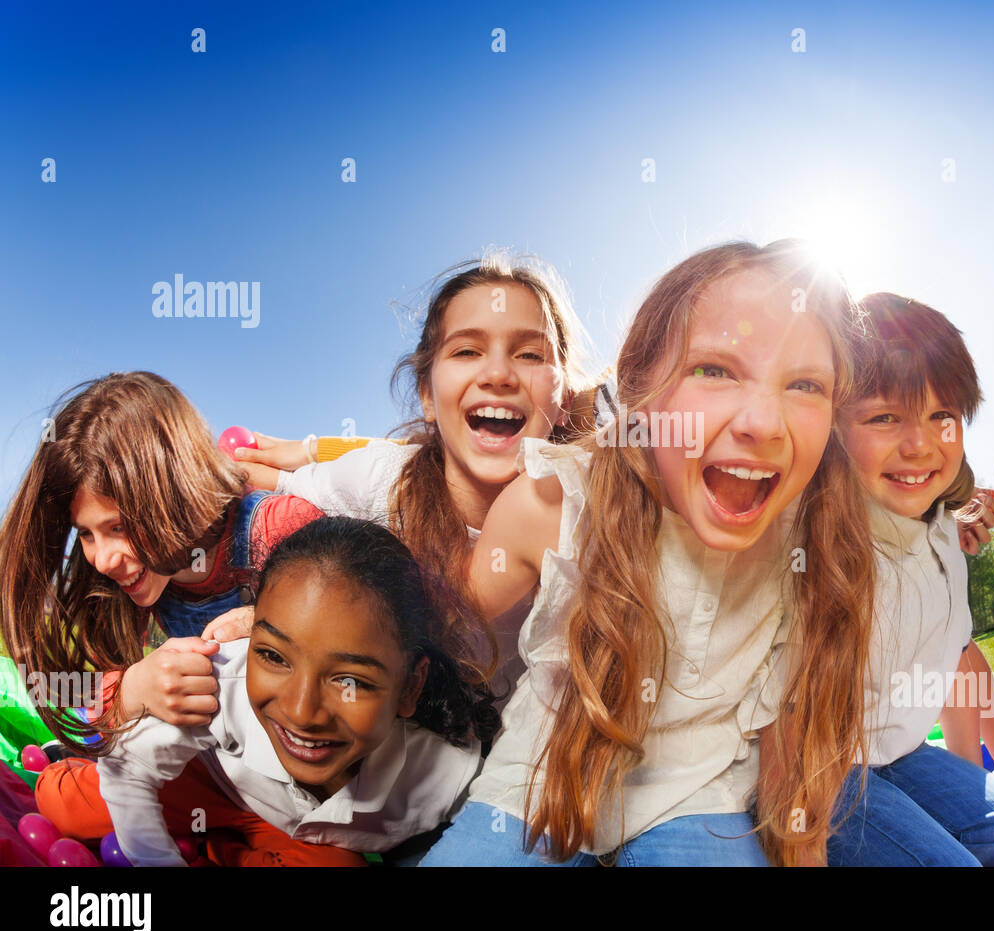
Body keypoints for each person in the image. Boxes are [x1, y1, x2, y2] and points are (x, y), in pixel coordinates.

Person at [420, 239, 877, 867]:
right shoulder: (553, 502)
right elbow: (435, 626)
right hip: (538, 791)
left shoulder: (809, 545)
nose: (765, 423)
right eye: (716, 370)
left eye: (805, 384)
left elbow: (790, 748)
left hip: (697, 799)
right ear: (641, 390)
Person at [213, 253, 596, 701]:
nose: (497, 373)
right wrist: (273, 616)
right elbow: (277, 486)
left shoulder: (577, 508)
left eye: (530, 354)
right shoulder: (382, 480)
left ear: (565, 397)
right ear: (427, 396)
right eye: (467, 350)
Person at [95, 516, 498, 866]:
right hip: (203, 781)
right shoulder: (219, 688)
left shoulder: (450, 778)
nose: (303, 712)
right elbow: (125, 766)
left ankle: (223, 848)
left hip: (286, 828)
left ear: (410, 686)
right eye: (274, 656)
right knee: (71, 803)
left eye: (351, 681)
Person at [0, 371, 322, 755]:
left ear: (173, 493)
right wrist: (134, 688)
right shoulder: (129, 585)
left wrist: (268, 624)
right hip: (221, 759)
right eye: (85, 533)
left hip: (307, 752)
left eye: (118, 526)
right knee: (65, 791)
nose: (103, 560)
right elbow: (94, 700)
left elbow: (365, 628)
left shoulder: (275, 526)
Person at [828, 292, 994, 867]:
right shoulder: (823, 534)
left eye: (941, 416)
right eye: (884, 416)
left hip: (892, 757)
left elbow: (963, 660)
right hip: (816, 772)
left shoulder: (946, 534)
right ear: (835, 429)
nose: (919, 444)